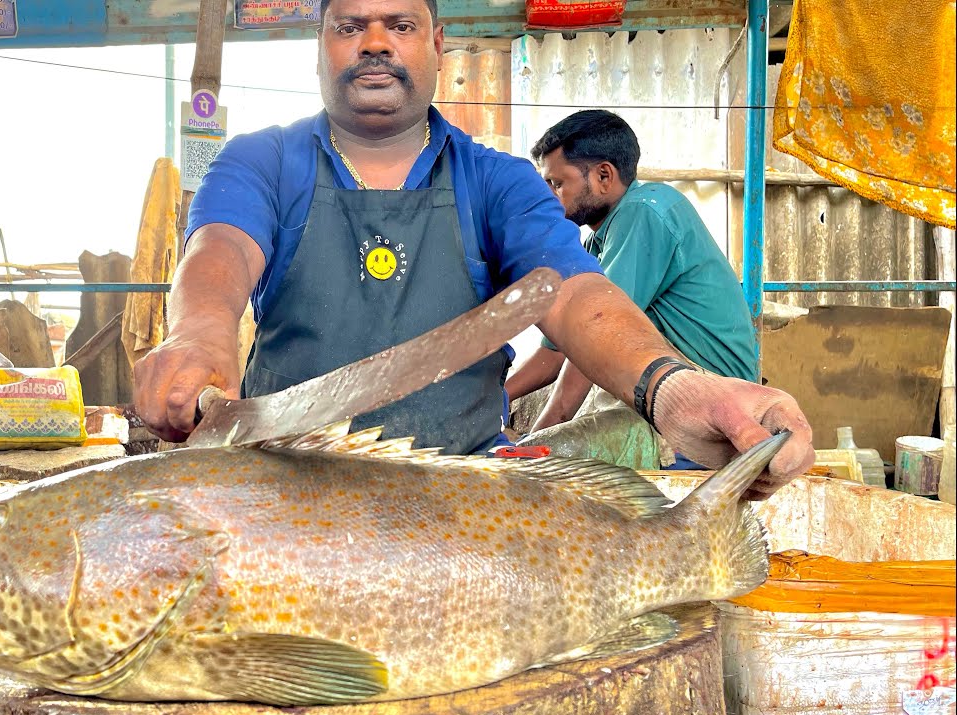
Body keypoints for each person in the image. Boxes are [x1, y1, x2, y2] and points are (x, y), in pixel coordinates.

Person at [134, 0, 814, 498]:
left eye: (398, 25)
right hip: (278, 495)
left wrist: (674, 388)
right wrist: (197, 338)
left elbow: (574, 294)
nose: (375, 43)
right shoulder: (259, 161)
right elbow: (218, 254)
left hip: (463, 503)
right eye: (349, 26)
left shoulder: (499, 181)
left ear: (437, 41)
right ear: (321, 45)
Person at [506, 110, 760, 440]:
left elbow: (596, 336)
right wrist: (502, 394)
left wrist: (536, 442)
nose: (549, 196)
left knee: (556, 448)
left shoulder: (644, 213)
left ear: (604, 176)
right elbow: (557, 349)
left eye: (557, 183)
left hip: (712, 397)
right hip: (668, 385)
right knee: (526, 408)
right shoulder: (595, 240)